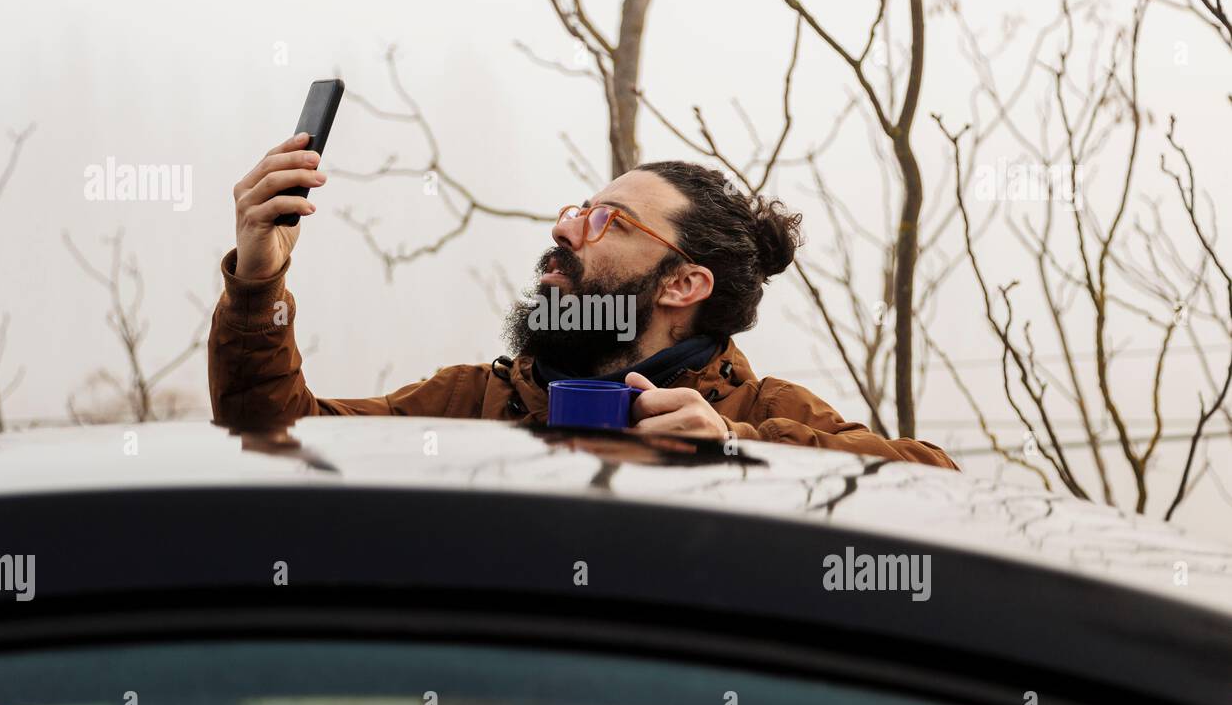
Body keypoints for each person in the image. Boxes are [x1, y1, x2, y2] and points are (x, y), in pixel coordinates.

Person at [208, 132, 959, 470]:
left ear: (682, 284)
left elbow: (936, 482)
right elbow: (272, 434)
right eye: (578, 209)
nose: (566, 228)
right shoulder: (473, 402)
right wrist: (257, 281)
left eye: (606, 221)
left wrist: (741, 451)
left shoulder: (758, 413)